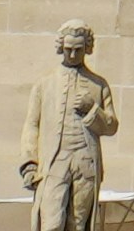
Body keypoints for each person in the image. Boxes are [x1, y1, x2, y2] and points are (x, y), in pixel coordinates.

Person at [18, 23, 119, 231]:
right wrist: (30, 164)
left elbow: (111, 126)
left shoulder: (98, 84)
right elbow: (31, 126)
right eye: (68, 49)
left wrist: (92, 109)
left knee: (78, 225)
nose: (72, 54)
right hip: (54, 161)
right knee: (51, 224)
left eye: (78, 49)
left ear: (87, 48)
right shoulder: (44, 84)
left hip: (85, 161)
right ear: (61, 47)